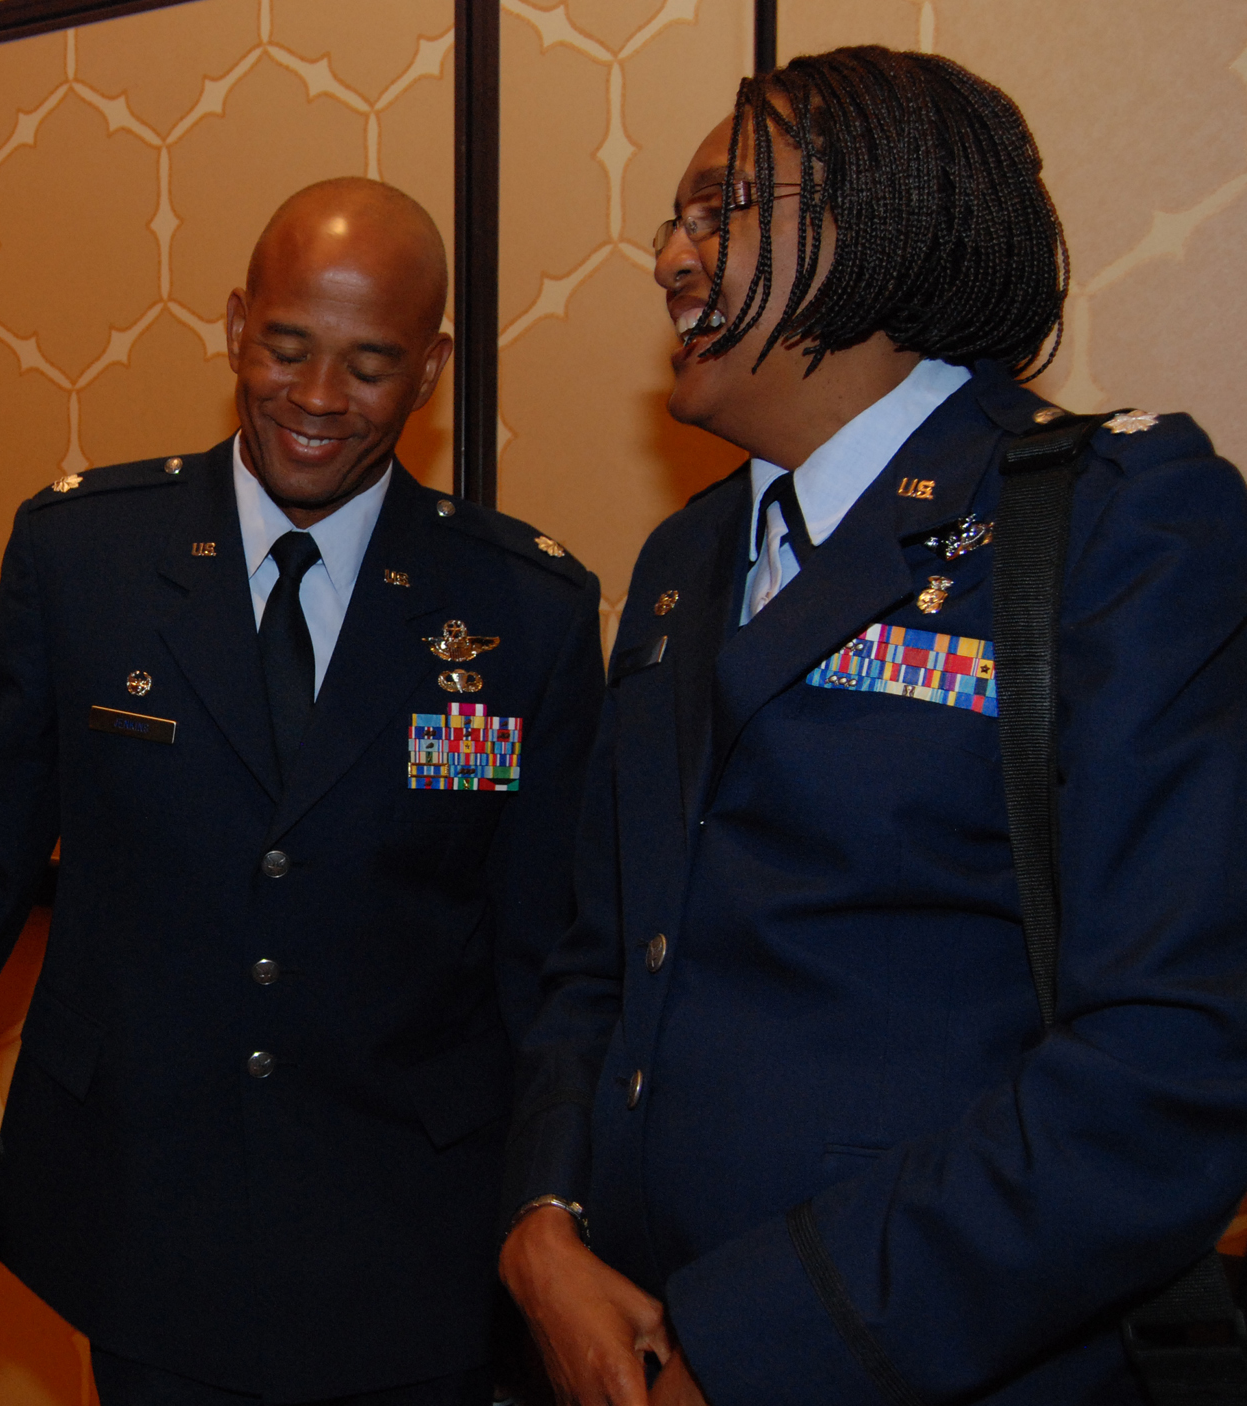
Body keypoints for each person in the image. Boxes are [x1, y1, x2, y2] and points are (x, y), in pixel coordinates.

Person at [499, 46, 1247, 1406]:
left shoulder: (1108, 519)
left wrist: (750, 1346)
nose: (671, 255)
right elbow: (602, 961)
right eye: (673, 218)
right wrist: (543, 1219)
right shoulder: (682, 557)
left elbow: (1170, 1066)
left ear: (876, 222)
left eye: (720, 207)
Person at [0, 177, 604, 1404]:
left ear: (433, 366)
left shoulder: (525, 613)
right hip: (143, 1211)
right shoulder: (85, 557)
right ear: (236, 324)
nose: (318, 399)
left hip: (415, 1238)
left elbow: (545, 957)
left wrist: (551, 1209)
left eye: (371, 364)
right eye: (286, 348)